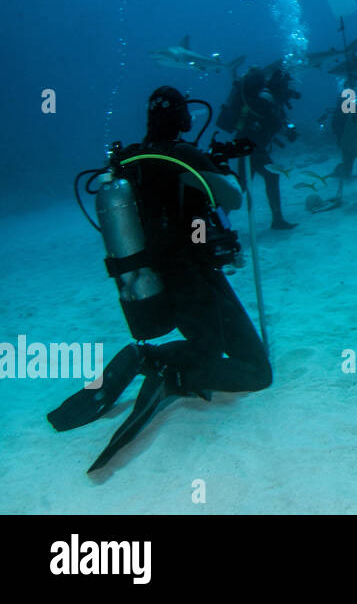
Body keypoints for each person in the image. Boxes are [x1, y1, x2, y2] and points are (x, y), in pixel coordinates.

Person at [49, 86, 272, 472]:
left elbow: (168, 192)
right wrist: (218, 163)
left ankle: (147, 357)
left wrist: (206, 163)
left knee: (209, 346)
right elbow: (233, 199)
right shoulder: (183, 155)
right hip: (194, 278)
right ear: (184, 119)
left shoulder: (130, 159)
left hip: (156, 278)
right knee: (256, 372)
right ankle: (167, 371)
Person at [218, 60, 299, 229]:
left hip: (247, 145)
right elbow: (273, 122)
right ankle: (276, 221)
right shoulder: (266, 98)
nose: (288, 90)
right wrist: (287, 130)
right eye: (286, 86)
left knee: (243, 185)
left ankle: (216, 220)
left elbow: (273, 121)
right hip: (251, 147)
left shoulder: (266, 97)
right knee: (262, 179)